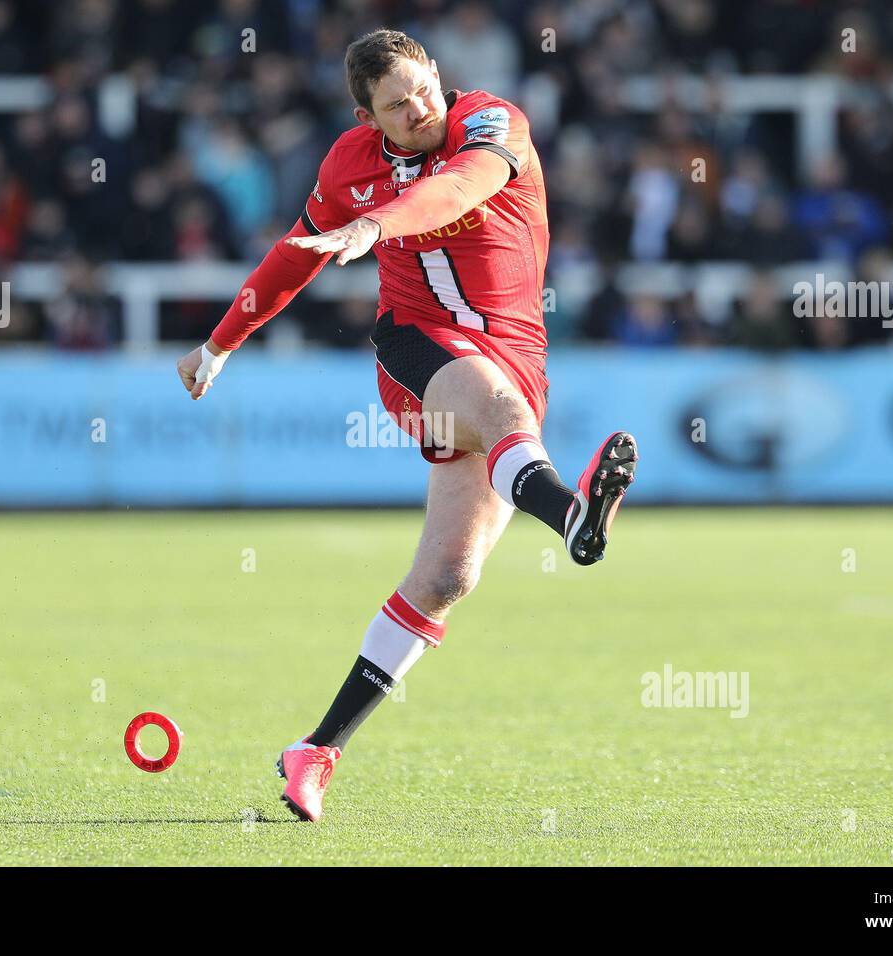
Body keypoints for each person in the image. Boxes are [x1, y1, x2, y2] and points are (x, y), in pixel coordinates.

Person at [175, 29, 638, 822]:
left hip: (514, 351)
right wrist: (220, 343)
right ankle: (572, 517)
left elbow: (457, 191)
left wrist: (376, 226)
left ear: (436, 74)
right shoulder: (348, 165)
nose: (420, 108)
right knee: (499, 415)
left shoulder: (492, 122)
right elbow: (297, 251)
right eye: (396, 106)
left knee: (447, 579)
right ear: (368, 118)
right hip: (415, 348)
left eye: (423, 88)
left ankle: (314, 750)